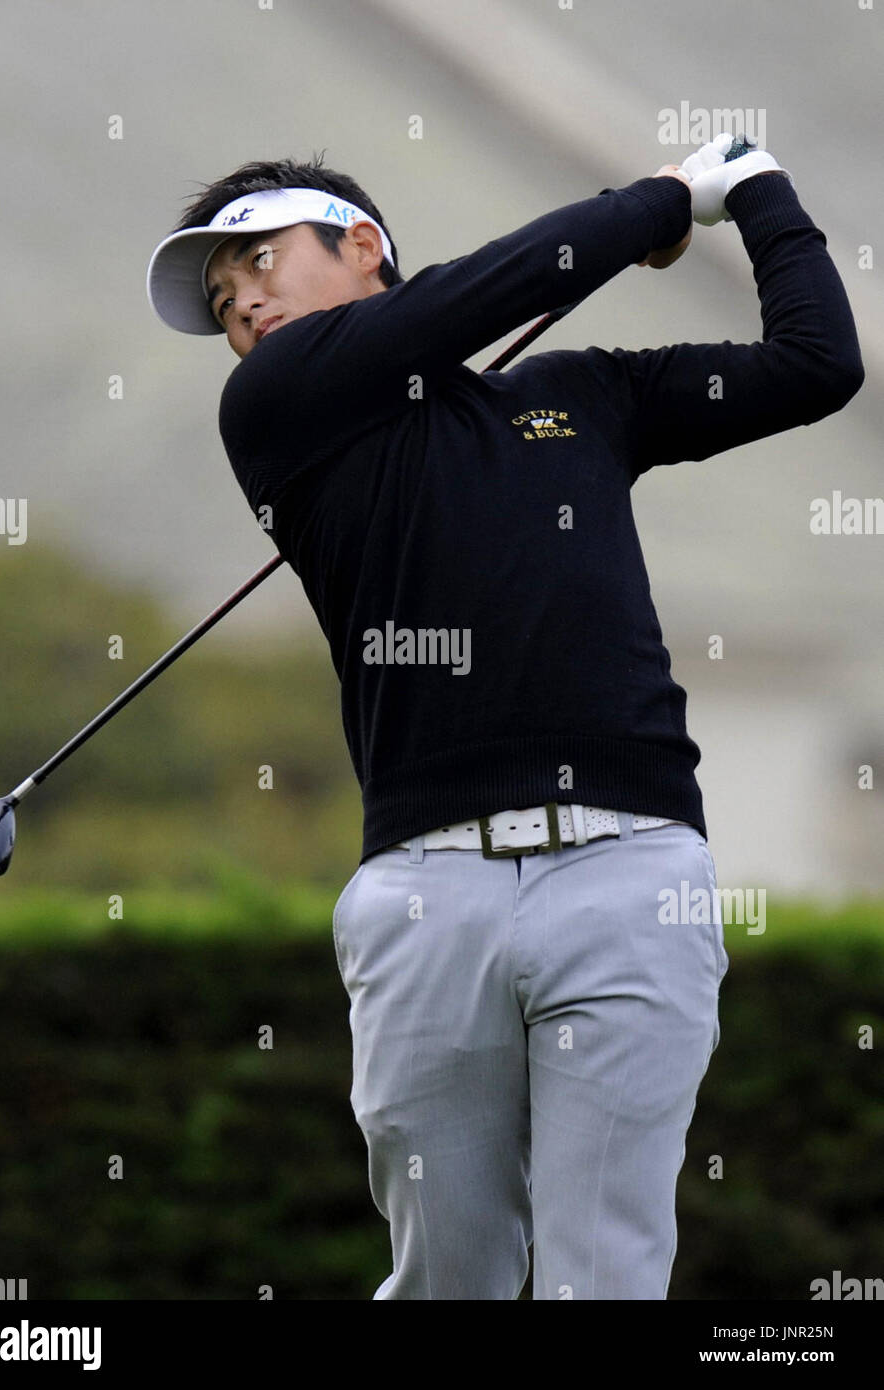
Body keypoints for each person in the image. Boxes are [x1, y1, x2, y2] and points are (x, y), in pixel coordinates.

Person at [146, 141, 863, 1299]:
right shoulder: (275, 407)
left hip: (631, 874)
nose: (245, 308)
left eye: (261, 264)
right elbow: (494, 286)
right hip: (429, 895)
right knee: (450, 1280)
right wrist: (666, 203)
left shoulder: (579, 395)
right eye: (226, 303)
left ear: (361, 246)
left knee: (606, 1279)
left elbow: (817, 363)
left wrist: (761, 189)